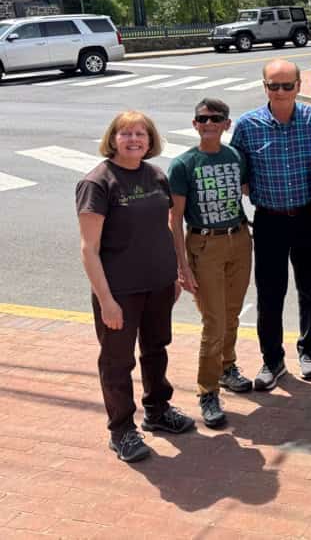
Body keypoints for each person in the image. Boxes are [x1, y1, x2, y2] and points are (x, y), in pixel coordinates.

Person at [77, 111, 195, 463]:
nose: (133, 140)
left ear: (150, 139)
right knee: (117, 361)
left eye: (140, 134)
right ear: (112, 139)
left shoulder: (156, 175)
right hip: (119, 290)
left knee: (156, 349)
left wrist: (175, 273)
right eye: (125, 133)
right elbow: (89, 249)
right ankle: (122, 430)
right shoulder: (98, 182)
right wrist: (106, 300)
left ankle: (157, 410)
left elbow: (166, 228)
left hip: (158, 284)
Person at [231, 60, 311, 391]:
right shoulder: (248, 125)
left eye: (288, 85)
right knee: (270, 293)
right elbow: (238, 170)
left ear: (299, 86)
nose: (281, 92)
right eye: (274, 86)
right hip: (269, 220)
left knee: (309, 288)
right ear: (265, 87)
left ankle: (308, 350)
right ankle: (272, 360)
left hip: (307, 216)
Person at [168, 98, 253, 429]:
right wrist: (182, 266)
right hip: (204, 245)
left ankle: (227, 367)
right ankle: (208, 391)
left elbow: (245, 191)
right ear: (194, 124)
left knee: (232, 314)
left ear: (226, 124)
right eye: (202, 119)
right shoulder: (184, 164)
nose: (208, 124)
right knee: (214, 321)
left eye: (216, 119)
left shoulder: (235, 156)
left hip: (239, 240)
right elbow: (175, 219)